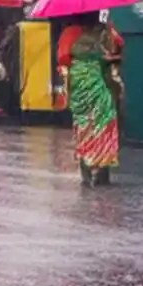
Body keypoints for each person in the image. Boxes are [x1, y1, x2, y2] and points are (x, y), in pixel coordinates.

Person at [56, 12, 124, 186]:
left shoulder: (69, 34)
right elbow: (118, 47)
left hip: (78, 85)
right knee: (104, 121)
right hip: (98, 81)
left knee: (83, 124)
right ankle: (102, 169)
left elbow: (63, 59)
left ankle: (86, 168)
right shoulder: (104, 32)